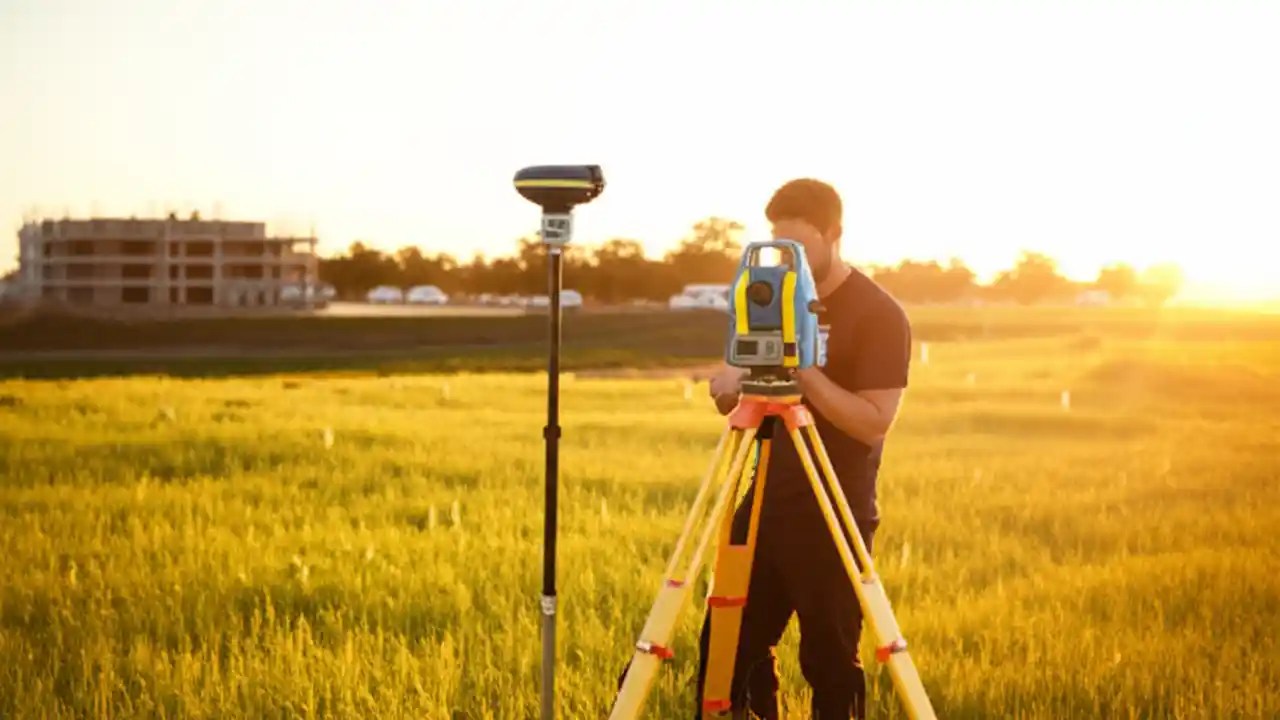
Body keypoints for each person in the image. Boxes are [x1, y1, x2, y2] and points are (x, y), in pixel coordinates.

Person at [694, 178, 913, 719]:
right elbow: (732, 376)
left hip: (833, 509)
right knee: (726, 652)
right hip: (765, 498)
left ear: (834, 234)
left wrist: (804, 373)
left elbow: (874, 422)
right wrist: (728, 383)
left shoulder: (878, 314)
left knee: (830, 661)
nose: (788, 260)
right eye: (778, 243)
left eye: (801, 246)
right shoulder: (764, 293)